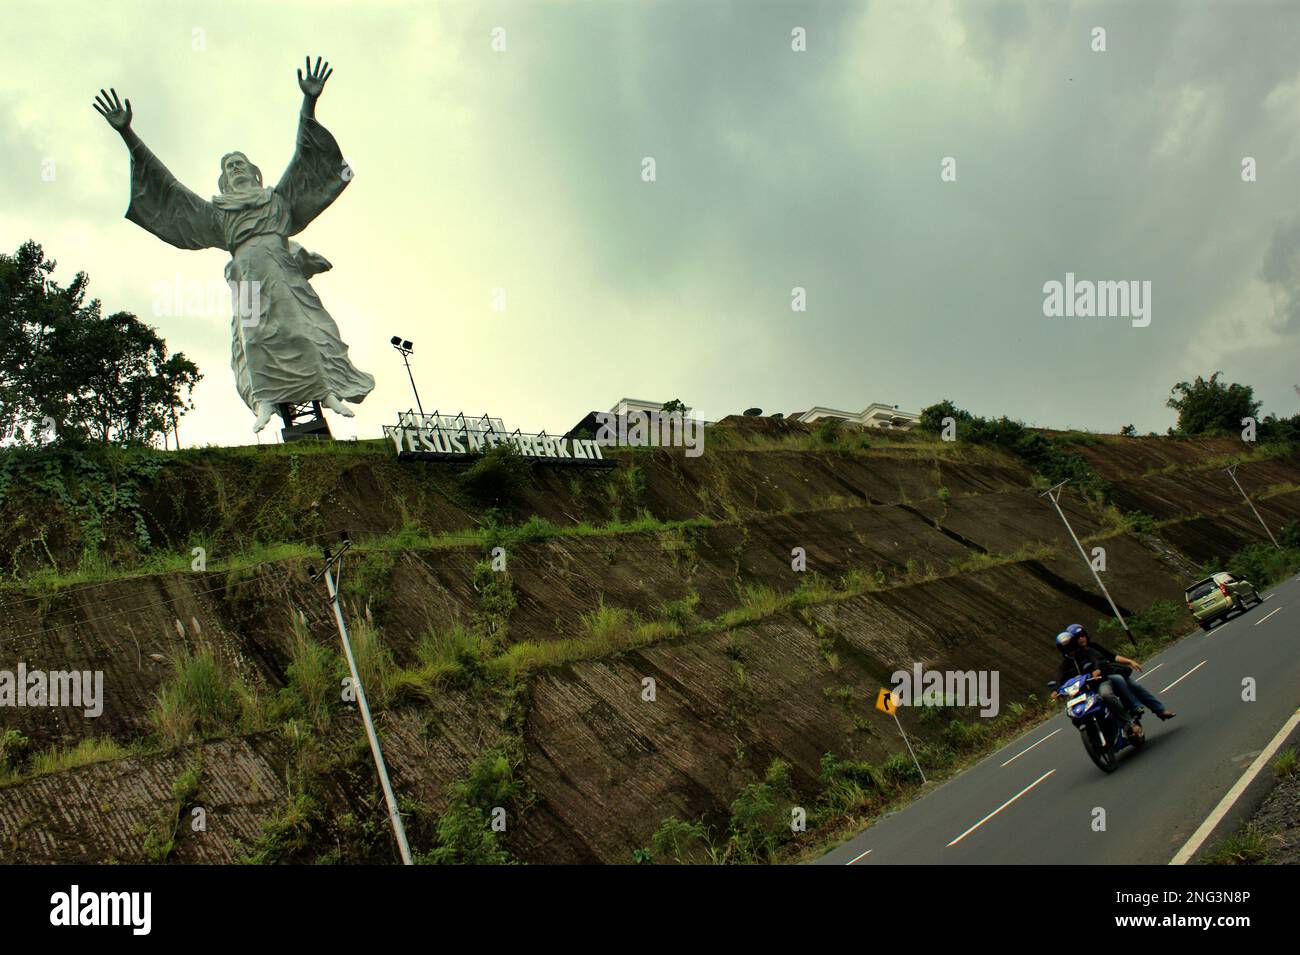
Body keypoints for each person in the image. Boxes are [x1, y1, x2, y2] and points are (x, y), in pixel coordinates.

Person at [93, 56, 375, 433]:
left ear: (255, 172)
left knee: (300, 330)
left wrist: (309, 102)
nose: (236, 169)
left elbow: (305, 152)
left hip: (280, 271)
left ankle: (326, 392)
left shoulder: (277, 200)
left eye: (241, 163)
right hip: (245, 276)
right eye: (229, 167)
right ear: (224, 181)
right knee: (254, 338)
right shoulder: (218, 214)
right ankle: (265, 401)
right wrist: (128, 133)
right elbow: (169, 189)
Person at [1066, 624, 1176, 721]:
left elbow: (1112, 657)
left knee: (1134, 685)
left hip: (1107, 675)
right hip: (1090, 684)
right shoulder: (1073, 656)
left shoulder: (1094, 646)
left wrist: (1130, 661)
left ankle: (1159, 710)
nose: (1081, 639)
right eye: (1077, 638)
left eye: (1082, 635)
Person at [1052, 630, 1143, 738]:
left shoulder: (1087, 652)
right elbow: (1059, 678)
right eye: (1065, 648)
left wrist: (1097, 669)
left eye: (1070, 646)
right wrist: (1056, 690)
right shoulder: (1065, 665)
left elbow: (1098, 659)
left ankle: (1129, 723)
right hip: (1082, 693)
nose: (1069, 650)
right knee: (1072, 709)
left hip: (1100, 683)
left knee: (1106, 695)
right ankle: (1090, 732)